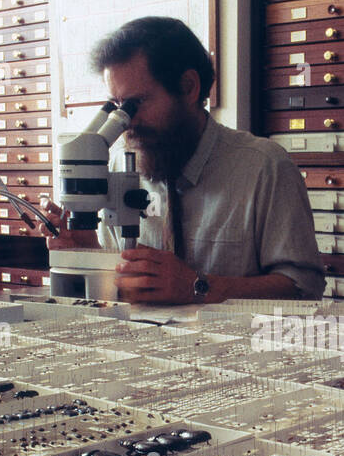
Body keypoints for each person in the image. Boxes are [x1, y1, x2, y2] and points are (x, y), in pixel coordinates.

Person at [48, 16, 325, 305]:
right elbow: (117, 287)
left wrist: (200, 286)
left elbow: (304, 288)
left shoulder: (264, 168)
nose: (126, 123)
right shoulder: (120, 165)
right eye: (118, 106)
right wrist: (86, 252)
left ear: (189, 87)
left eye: (136, 104)